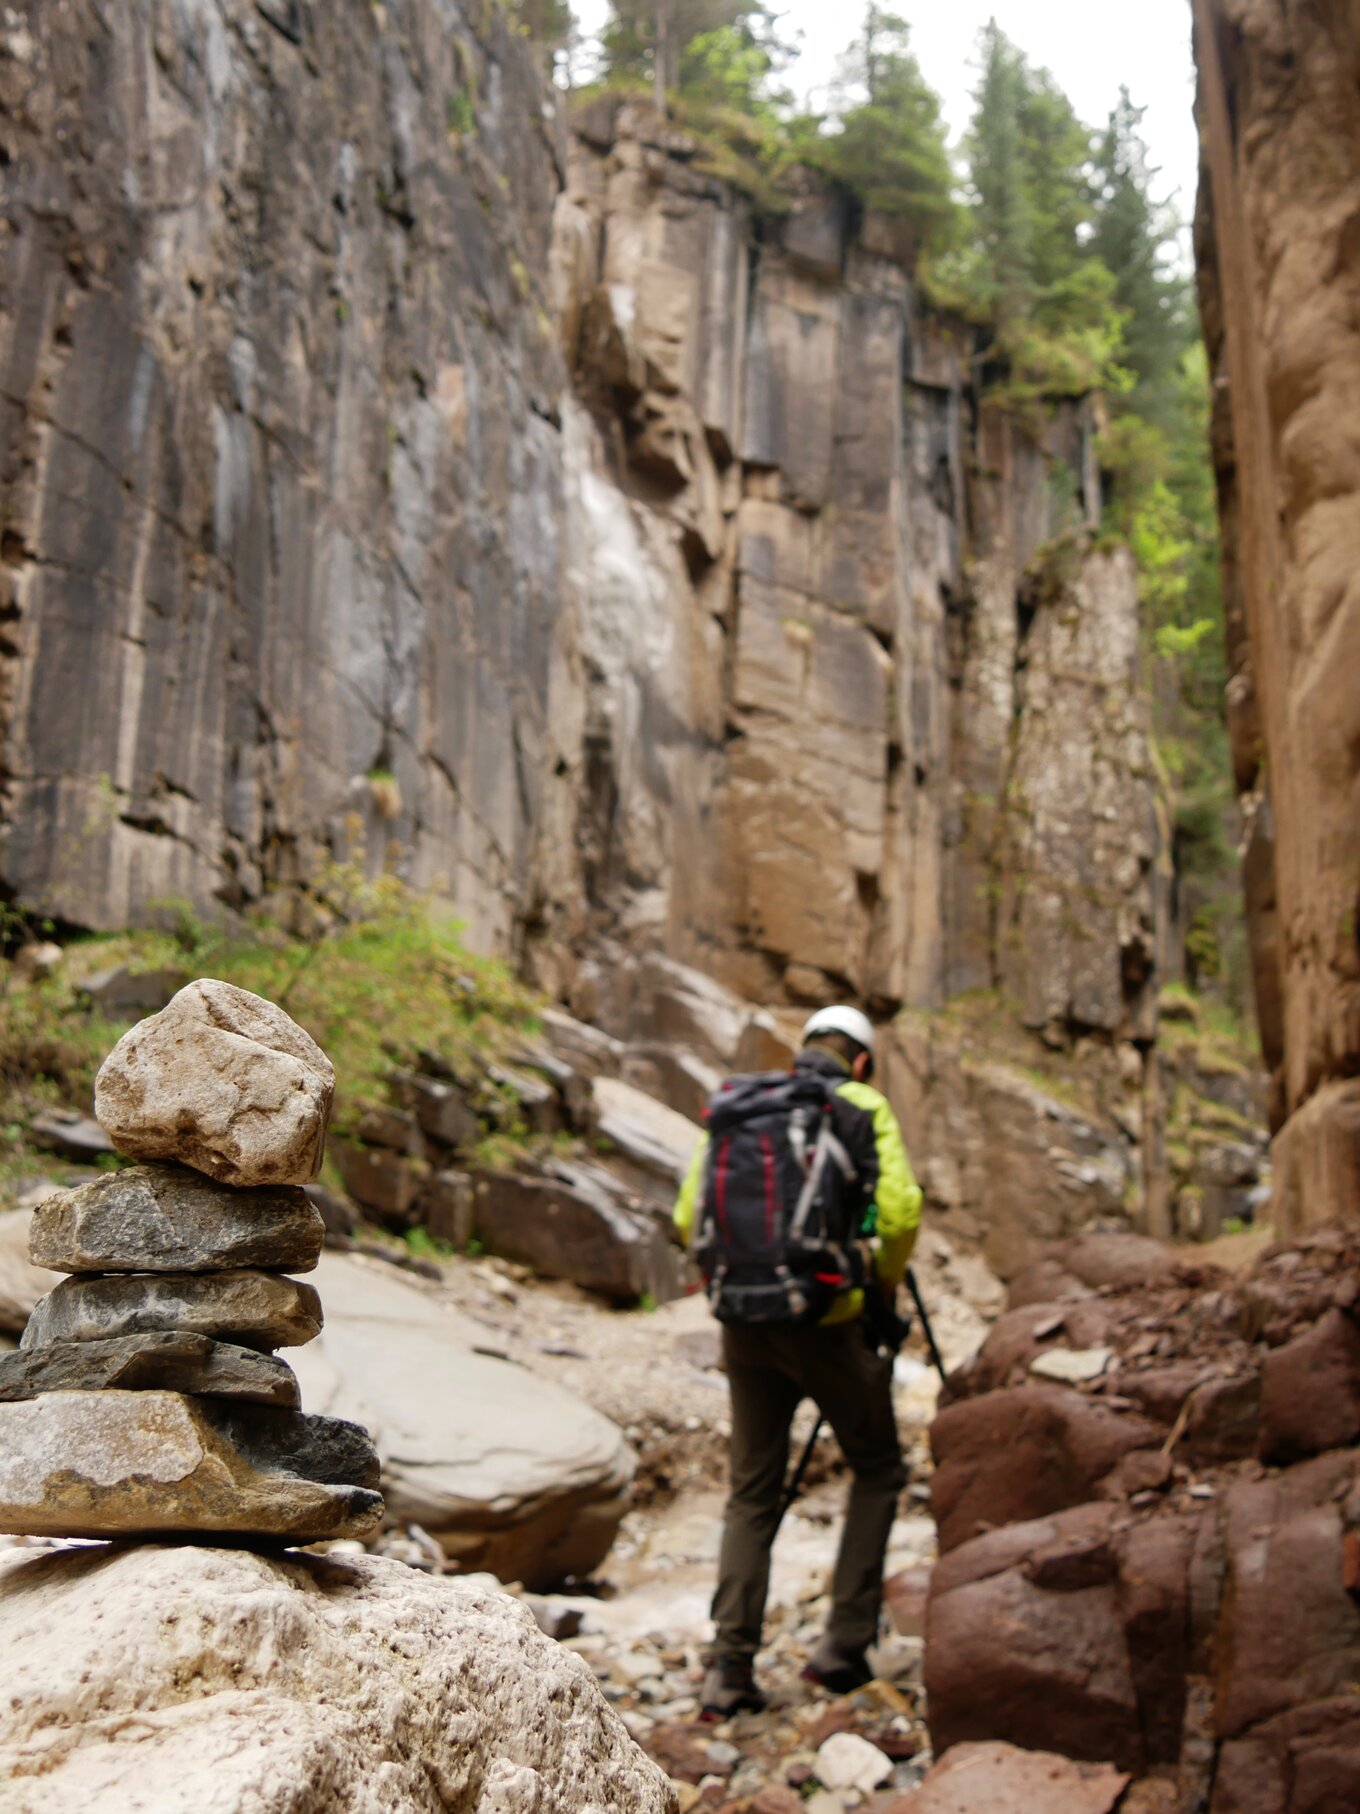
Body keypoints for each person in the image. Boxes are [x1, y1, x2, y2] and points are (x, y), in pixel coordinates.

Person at [673, 1005, 924, 1717]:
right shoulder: (861, 1104)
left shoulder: (745, 1104)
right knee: (878, 1468)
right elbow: (900, 1215)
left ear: (804, 1048)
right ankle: (843, 1647)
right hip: (828, 1325)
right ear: (862, 1062)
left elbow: (690, 1217)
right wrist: (878, 1280)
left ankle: (729, 1668)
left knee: (752, 1490)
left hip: (744, 1327)